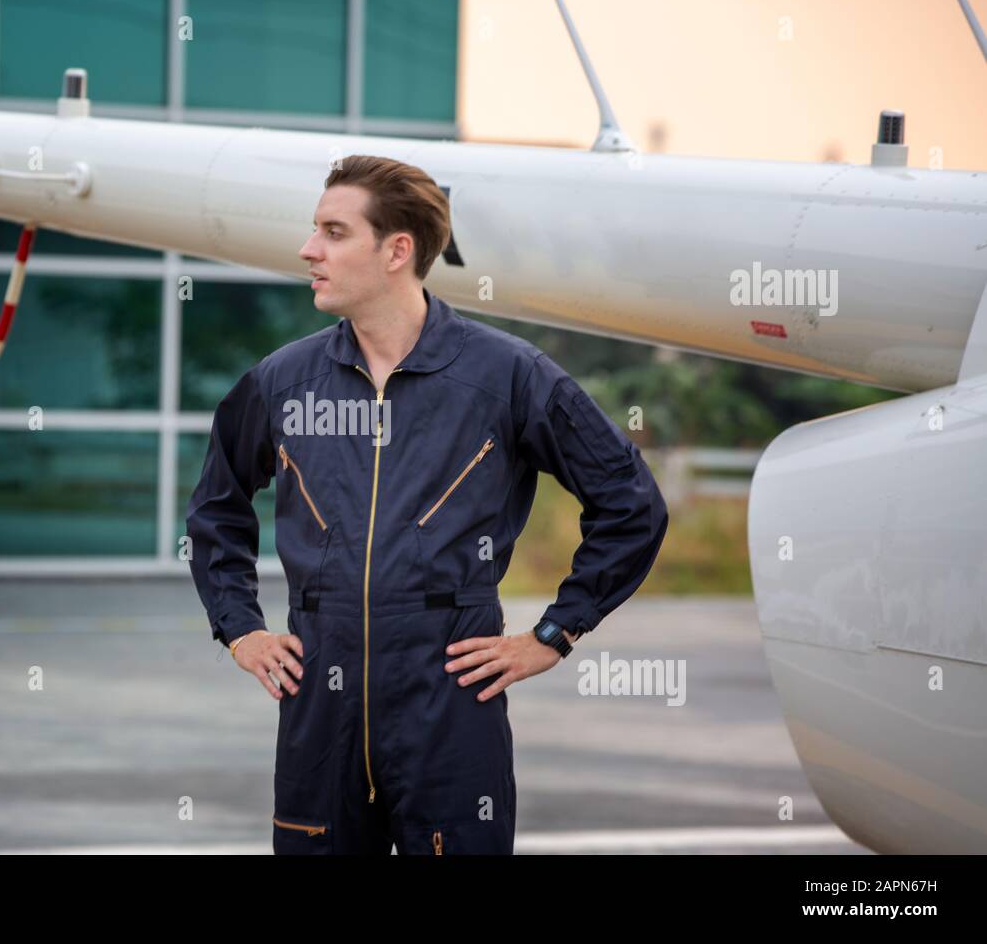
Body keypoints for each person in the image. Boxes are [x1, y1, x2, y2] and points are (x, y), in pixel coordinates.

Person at [185, 154, 669, 854]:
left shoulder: (507, 377)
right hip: (321, 709)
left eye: (333, 231)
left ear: (397, 250)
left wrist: (554, 634)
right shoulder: (282, 382)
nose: (308, 249)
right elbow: (216, 510)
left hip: (450, 707)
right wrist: (239, 627)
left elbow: (630, 504)